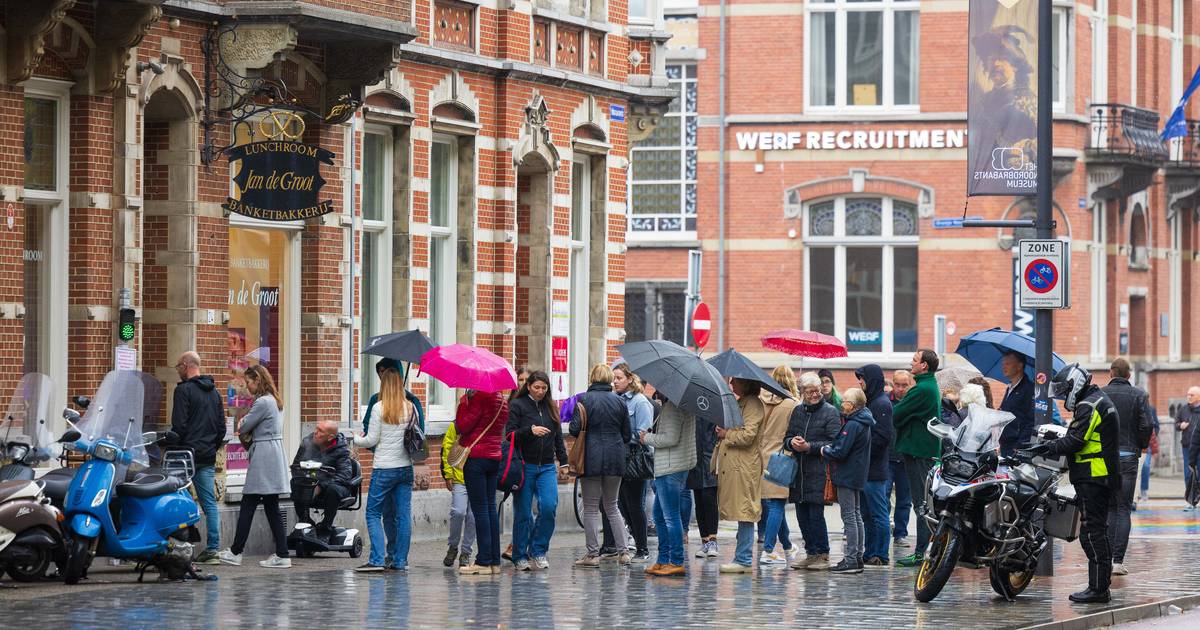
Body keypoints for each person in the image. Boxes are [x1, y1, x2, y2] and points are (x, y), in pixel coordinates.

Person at [1020, 364, 1120, 604]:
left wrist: (1046, 447)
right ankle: (1099, 586)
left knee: (1092, 533)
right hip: (1098, 475)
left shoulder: (1090, 404)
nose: (1065, 396)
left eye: (1065, 390)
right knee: (1096, 532)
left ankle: (1098, 589)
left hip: (1094, 476)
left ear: (1075, 384)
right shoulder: (1096, 400)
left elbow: (1076, 440)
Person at [219, 365, 291, 569]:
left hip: (264, 455)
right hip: (273, 452)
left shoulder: (262, 402)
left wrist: (242, 419)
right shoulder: (276, 401)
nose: (247, 387)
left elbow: (243, 425)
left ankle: (235, 552)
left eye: (249, 382)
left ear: (258, 380)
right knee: (271, 506)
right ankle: (282, 554)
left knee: (248, 503)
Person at [362, 358, 425, 566]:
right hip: (404, 468)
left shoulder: (379, 406)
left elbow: (370, 437)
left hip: (384, 469)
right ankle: (398, 560)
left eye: (383, 373)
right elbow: (418, 436)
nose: (380, 375)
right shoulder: (411, 407)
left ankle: (377, 559)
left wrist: (357, 439)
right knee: (401, 515)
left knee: (373, 512)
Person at [570, 364, 632, 567]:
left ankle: (592, 554)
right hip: (615, 458)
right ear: (608, 379)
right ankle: (624, 552)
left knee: (590, 508)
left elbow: (574, 429)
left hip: (591, 458)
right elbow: (626, 435)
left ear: (592, 378)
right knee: (612, 506)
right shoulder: (620, 402)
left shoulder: (584, 400)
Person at [506, 371, 568, 571]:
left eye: (544, 388)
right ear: (529, 386)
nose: (541, 391)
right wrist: (529, 431)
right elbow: (509, 435)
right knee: (523, 513)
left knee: (549, 506)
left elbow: (558, 435)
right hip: (525, 465)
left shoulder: (551, 407)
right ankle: (519, 555)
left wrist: (564, 461)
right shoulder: (517, 405)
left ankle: (539, 550)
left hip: (548, 466)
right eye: (537, 387)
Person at [169, 351, 226, 565]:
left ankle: (178, 546)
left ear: (186, 365)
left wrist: (172, 442)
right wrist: (210, 445)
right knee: (209, 502)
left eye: (178, 367)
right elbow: (221, 428)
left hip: (184, 455)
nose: (178, 371)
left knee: (178, 500)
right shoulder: (215, 393)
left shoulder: (183, 391)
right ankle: (213, 549)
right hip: (207, 455)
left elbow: (179, 425)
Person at [1101, 358, 1153, 576]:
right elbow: (1147, 425)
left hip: (1104, 458)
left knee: (1109, 509)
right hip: (1128, 457)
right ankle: (1117, 561)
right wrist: (1139, 445)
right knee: (1123, 508)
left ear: (1111, 373)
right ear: (1129, 375)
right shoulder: (1139, 395)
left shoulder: (1102, 394)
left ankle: (1105, 558)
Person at [784, 372, 841, 571]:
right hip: (799, 471)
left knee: (816, 514)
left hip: (819, 470)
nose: (814, 395)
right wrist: (792, 442)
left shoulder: (830, 411)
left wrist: (810, 447)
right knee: (801, 514)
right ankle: (810, 553)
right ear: (802, 393)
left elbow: (834, 442)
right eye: (809, 392)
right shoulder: (798, 411)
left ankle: (823, 554)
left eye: (816, 391)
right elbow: (788, 436)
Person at [893, 349, 941, 568]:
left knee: (921, 504)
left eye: (914, 359)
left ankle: (923, 552)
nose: (911, 362)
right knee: (922, 503)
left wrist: (904, 417)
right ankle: (926, 550)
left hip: (919, 452)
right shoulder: (927, 386)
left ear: (924, 366)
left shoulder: (921, 389)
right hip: (921, 450)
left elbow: (896, 414)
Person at [641, 399, 697, 576]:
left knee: (671, 517)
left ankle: (676, 561)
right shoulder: (679, 405)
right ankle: (663, 559)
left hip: (671, 467)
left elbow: (671, 438)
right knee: (659, 515)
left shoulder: (674, 407)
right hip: (674, 466)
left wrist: (647, 438)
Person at [821, 388, 874, 575]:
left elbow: (840, 451)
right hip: (857, 473)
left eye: (844, 401)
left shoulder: (853, 424)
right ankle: (857, 556)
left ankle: (851, 559)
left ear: (851, 405)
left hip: (848, 474)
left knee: (849, 517)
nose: (841, 404)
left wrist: (824, 450)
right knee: (856, 515)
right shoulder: (864, 421)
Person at [456, 388, 509, 575]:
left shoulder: (478, 398)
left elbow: (462, 426)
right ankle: (494, 561)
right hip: (494, 457)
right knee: (489, 508)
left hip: (476, 457)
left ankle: (483, 561)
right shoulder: (502, 399)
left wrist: (463, 403)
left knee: (480, 510)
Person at [716, 377, 765, 574]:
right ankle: (741, 557)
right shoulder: (742, 402)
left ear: (746, 383)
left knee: (745, 510)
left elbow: (747, 435)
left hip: (744, 466)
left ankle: (743, 559)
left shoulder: (752, 404)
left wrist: (726, 434)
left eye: (735, 381)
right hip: (738, 464)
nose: (731, 384)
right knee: (740, 509)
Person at [611, 363, 654, 562]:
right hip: (619, 458)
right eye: (614, 378)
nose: (615, 381)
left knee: (635, 505)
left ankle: (642, 548)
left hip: (635, 459)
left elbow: (643, 434)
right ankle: (634, 542)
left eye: (619, 378)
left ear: (630, 379)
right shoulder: (616, 400)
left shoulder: (640, 402)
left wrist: (623, 435)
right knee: (621, 505)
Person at [758, 365, 800, 565]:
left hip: (761, 456)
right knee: (776, 504)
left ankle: (787, 545)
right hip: (782, 456)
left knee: (774, 503)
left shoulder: (761, 400)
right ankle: (767, 550)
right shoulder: (792, 404)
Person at [856, 364, 894, 567]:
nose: (860, 382)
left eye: (862, 379)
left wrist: (861, 448)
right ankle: (870, 551)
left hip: (875, 470)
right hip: (865, 469)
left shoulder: (881, 404)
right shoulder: (870, 402)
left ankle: (881, 553)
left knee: (878, 514)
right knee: (866, 515)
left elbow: (883, 437)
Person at [291, 420, 355, 536]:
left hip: (335, 487)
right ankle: (305, 520)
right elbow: (296, 466)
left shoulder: (341, 450)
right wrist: (307, 480)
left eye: (320, 431)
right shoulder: (307, 442)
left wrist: (321, 485)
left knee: (333, 489)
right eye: (316, 428)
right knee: (295, 482)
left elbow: (344, 475)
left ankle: (326, 526)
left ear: (330, 437)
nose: (315, 432)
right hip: (311, 484)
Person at [441, 422, 475, 567]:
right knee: (458, 512)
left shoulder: (482, 425)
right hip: (459, 478)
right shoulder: (456, 426)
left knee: (473, 517)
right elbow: (447, 449)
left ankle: (466, 552)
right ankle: (453, 546)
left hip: (477, 479)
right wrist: (448, 475)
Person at [688, 409, 721, 559]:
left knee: (709, 499)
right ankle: (705, 541)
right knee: (699, 500)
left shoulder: (715, 407)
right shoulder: (690, 409)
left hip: (710, 457)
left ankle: (713, 540)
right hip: (694, 459)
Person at [888, 370, 915, 549]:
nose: (900, 389)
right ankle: (883, 529)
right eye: (897, 384)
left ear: (910, 385)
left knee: (905, 499)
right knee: (883, 496)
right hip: (888, 456)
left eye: (904, 385)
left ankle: (900, 533)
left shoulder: (913, 401)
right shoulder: (885, 402)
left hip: (906, 457)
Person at [998, 352, 1035, 456]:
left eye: (1008, 364)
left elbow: (1032, 420)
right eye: (1003, 364)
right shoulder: (1010, 387)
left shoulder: (1029, 389)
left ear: (1019, 366)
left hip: (1016, 446)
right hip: (1006, 443)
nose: (1004, 367)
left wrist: (1020, 445)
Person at [1175, 387, 1200, 505]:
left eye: (1192, 395)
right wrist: (1180, 426)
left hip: (1198, 447)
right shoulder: (1183, 409)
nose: (1189, 397)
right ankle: (1190, 499)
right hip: (1187, 446)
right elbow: (1176, 423)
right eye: (1188, 395)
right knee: (1188, 472)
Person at [1139, 406, 1159, 503]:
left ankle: (1143, 490)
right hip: (1134, 445)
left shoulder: (1150, 410)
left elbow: (1153, 431)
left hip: (1146, 446)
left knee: (1145, 467)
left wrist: (1154, 449)